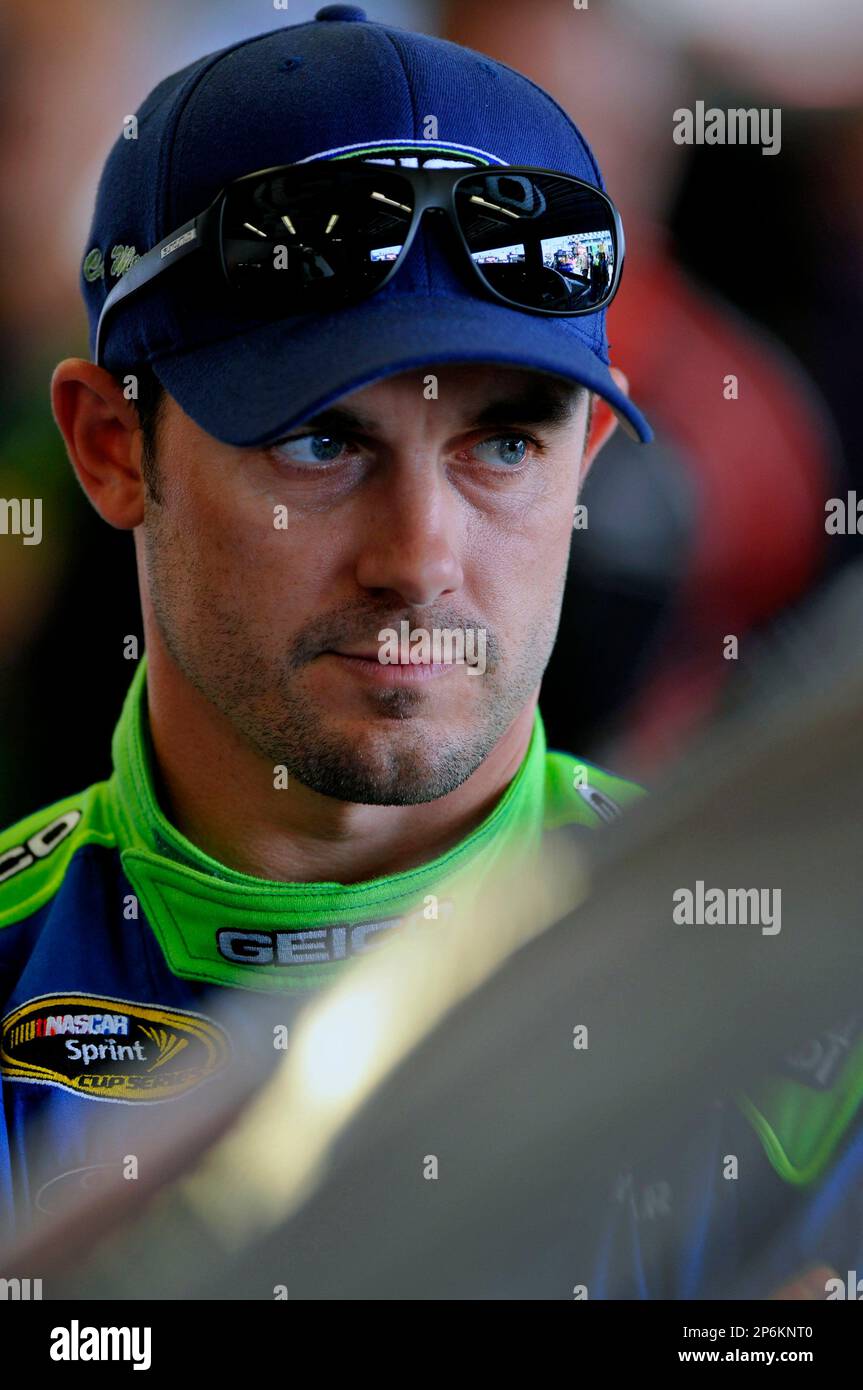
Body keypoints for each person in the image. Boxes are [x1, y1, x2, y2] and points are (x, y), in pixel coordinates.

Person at [0, 8, 650, 1239]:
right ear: (109, 448)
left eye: (503, 444)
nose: (418, 560)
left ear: (586, 462)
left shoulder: (800, 1012)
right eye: (320, 439)